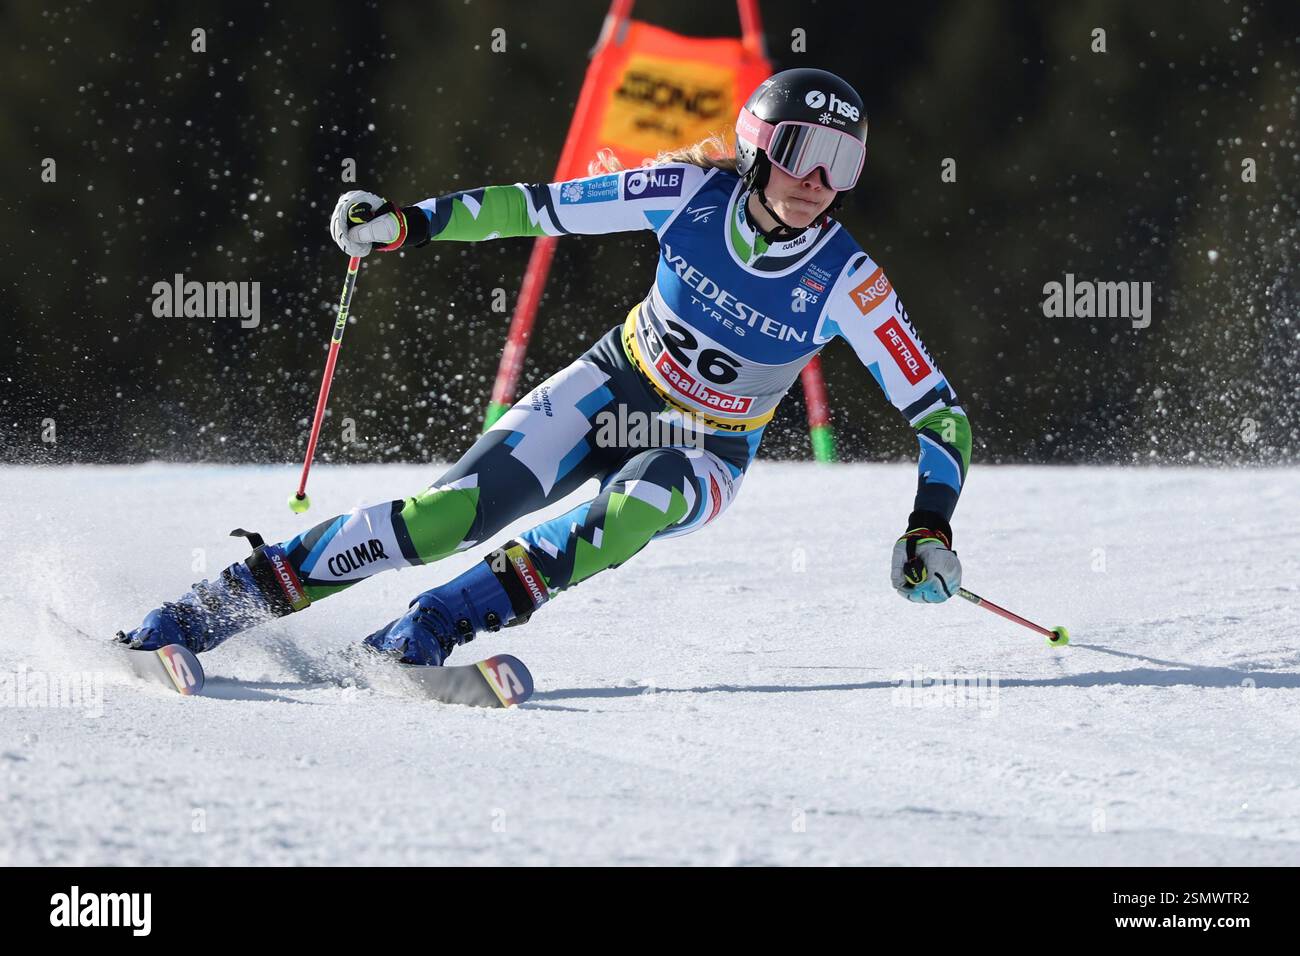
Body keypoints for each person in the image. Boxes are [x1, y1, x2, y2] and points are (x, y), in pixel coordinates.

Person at [117, 68, 971, 666]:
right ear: (755, 145)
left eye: (843, 161)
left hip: (710, 447)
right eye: (801, 149)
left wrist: (929, 525)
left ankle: (431, 628)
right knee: (447, 516)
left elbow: (941, 418)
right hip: (608, 387)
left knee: (640, 501)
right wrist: (407, 225)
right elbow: (534, 209)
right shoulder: (685, 194)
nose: (819, 180)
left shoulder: (849, 282)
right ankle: (216, 605)